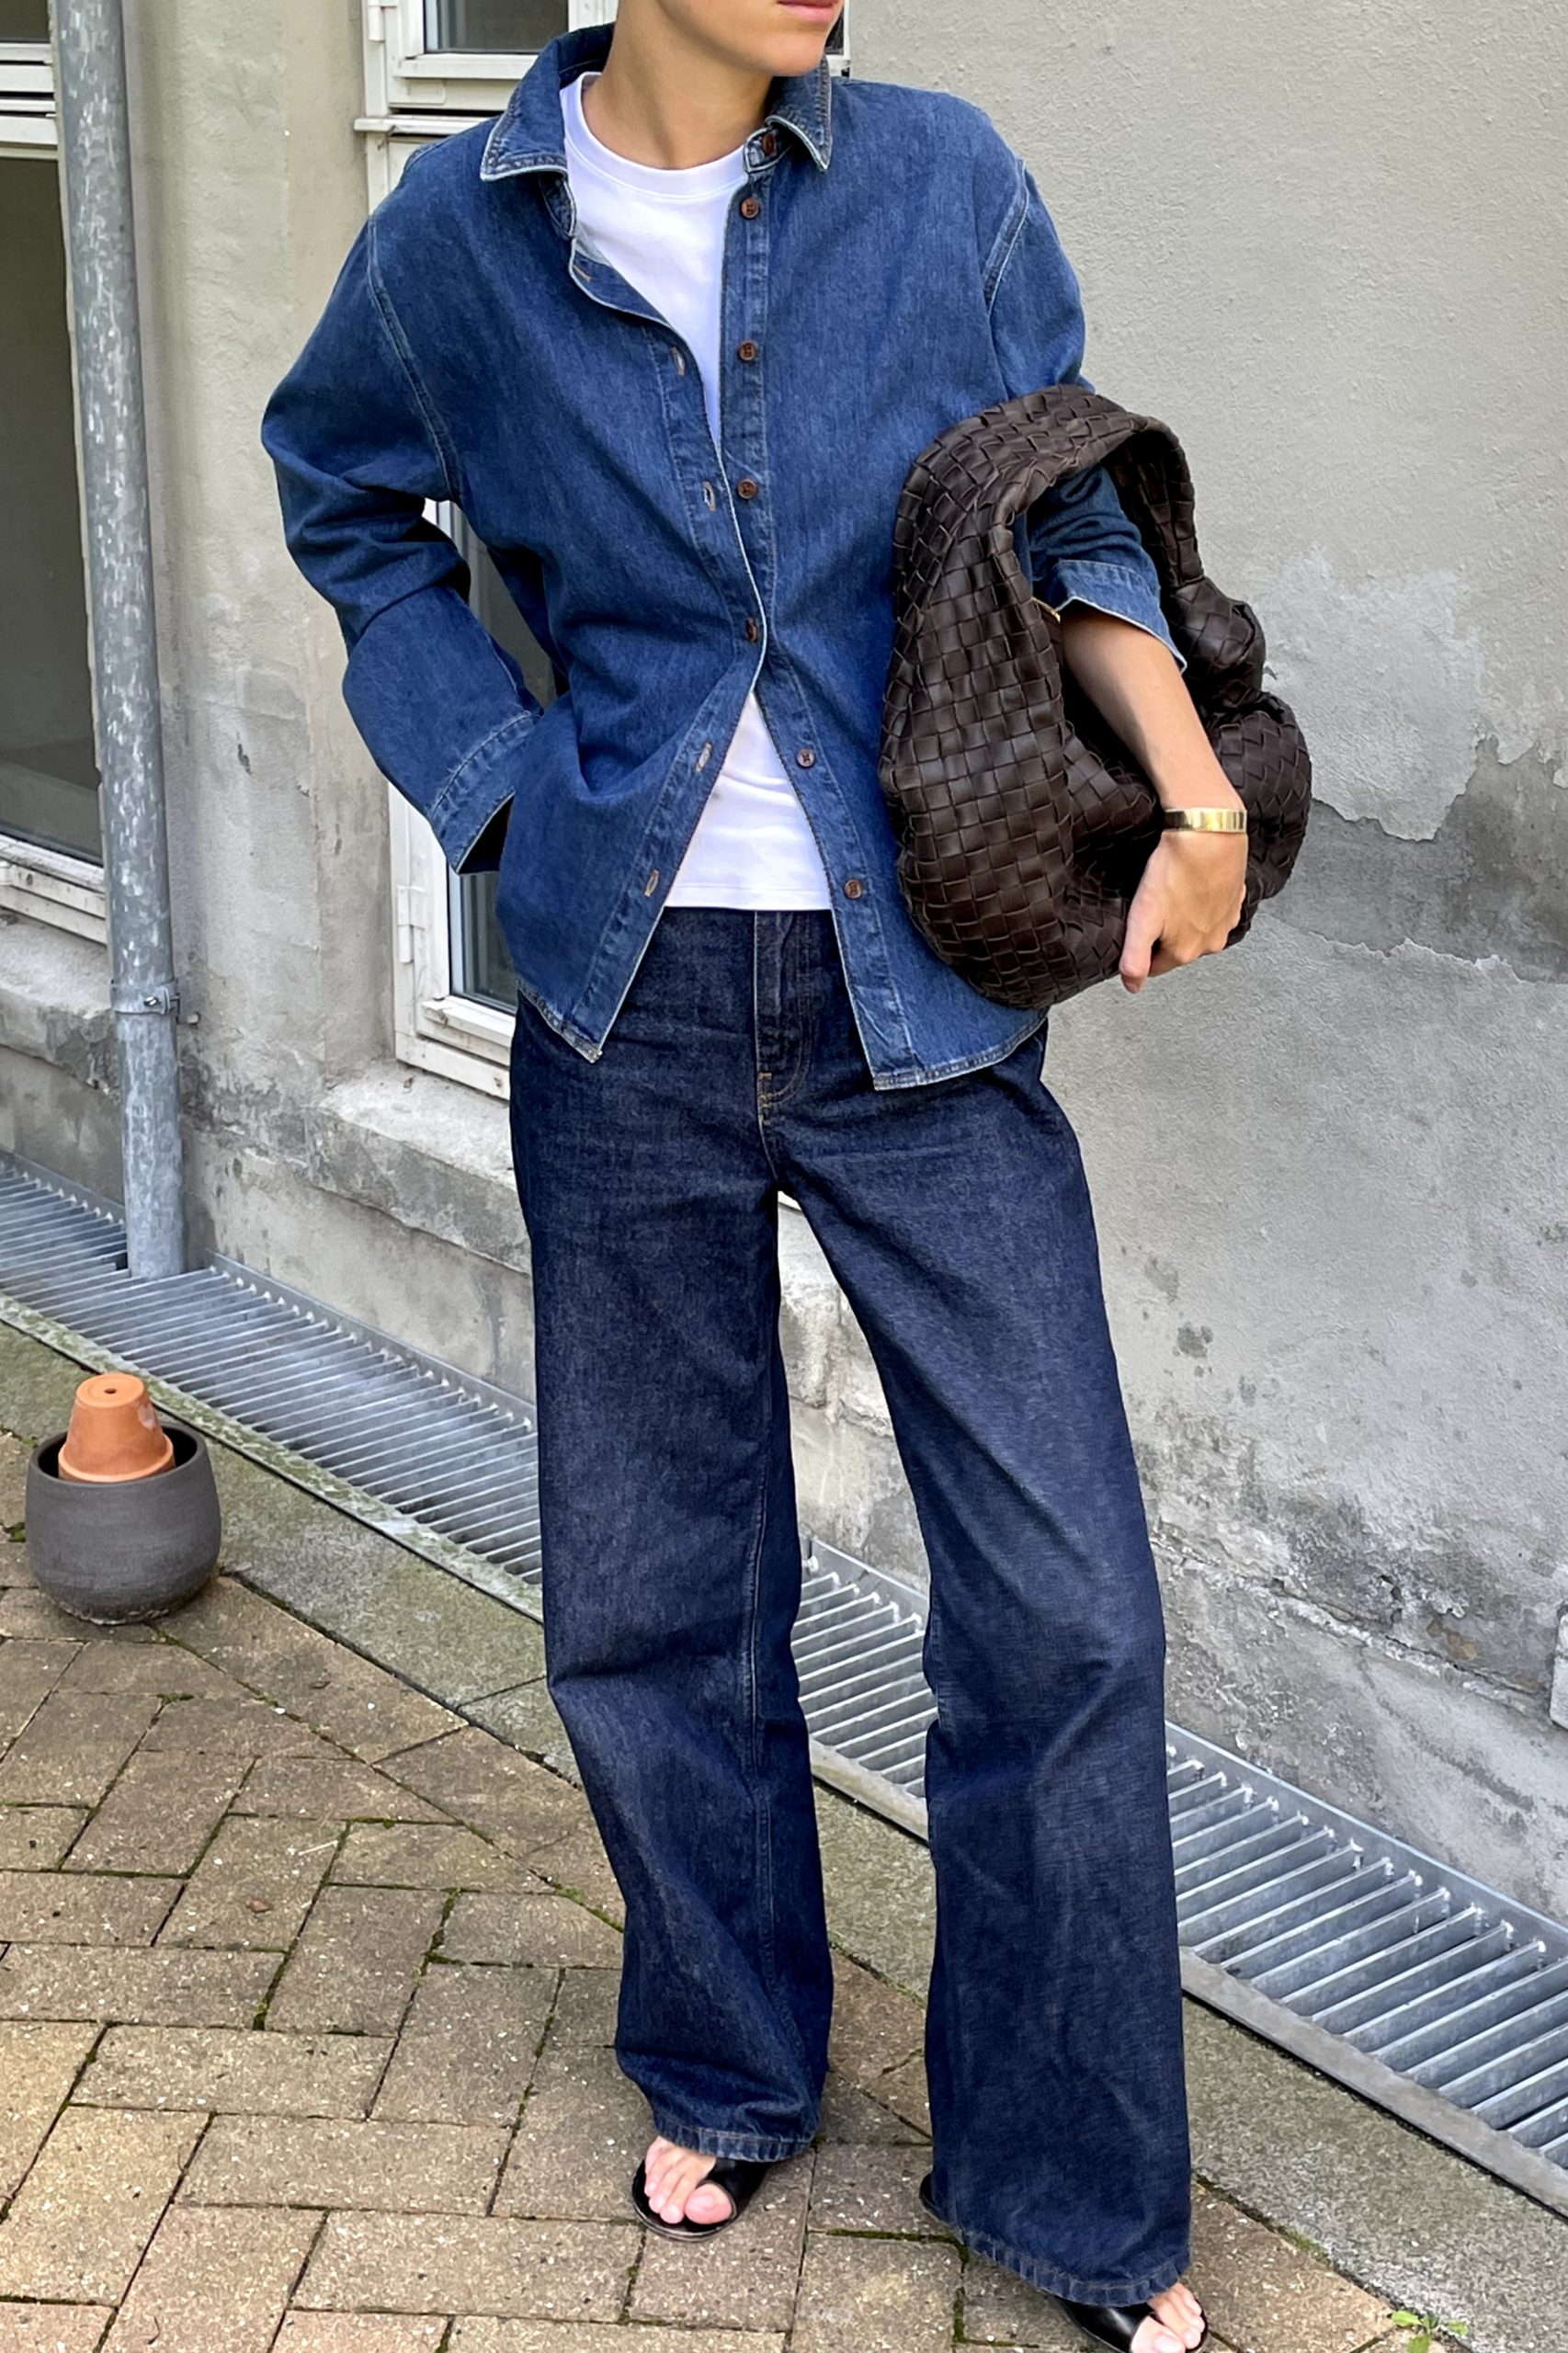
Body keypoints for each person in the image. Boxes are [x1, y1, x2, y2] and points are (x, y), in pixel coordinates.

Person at [263, 6, 1248, 2347]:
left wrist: (1195, 799)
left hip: (922, 988)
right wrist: (499, 786)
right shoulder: (455, 237)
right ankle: (724, 2053)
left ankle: (1071, 2178)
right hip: (625, 999)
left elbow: (1067, 513)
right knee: (652, 1587)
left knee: (1067, 1609)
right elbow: (340, 498)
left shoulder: (945, 176)